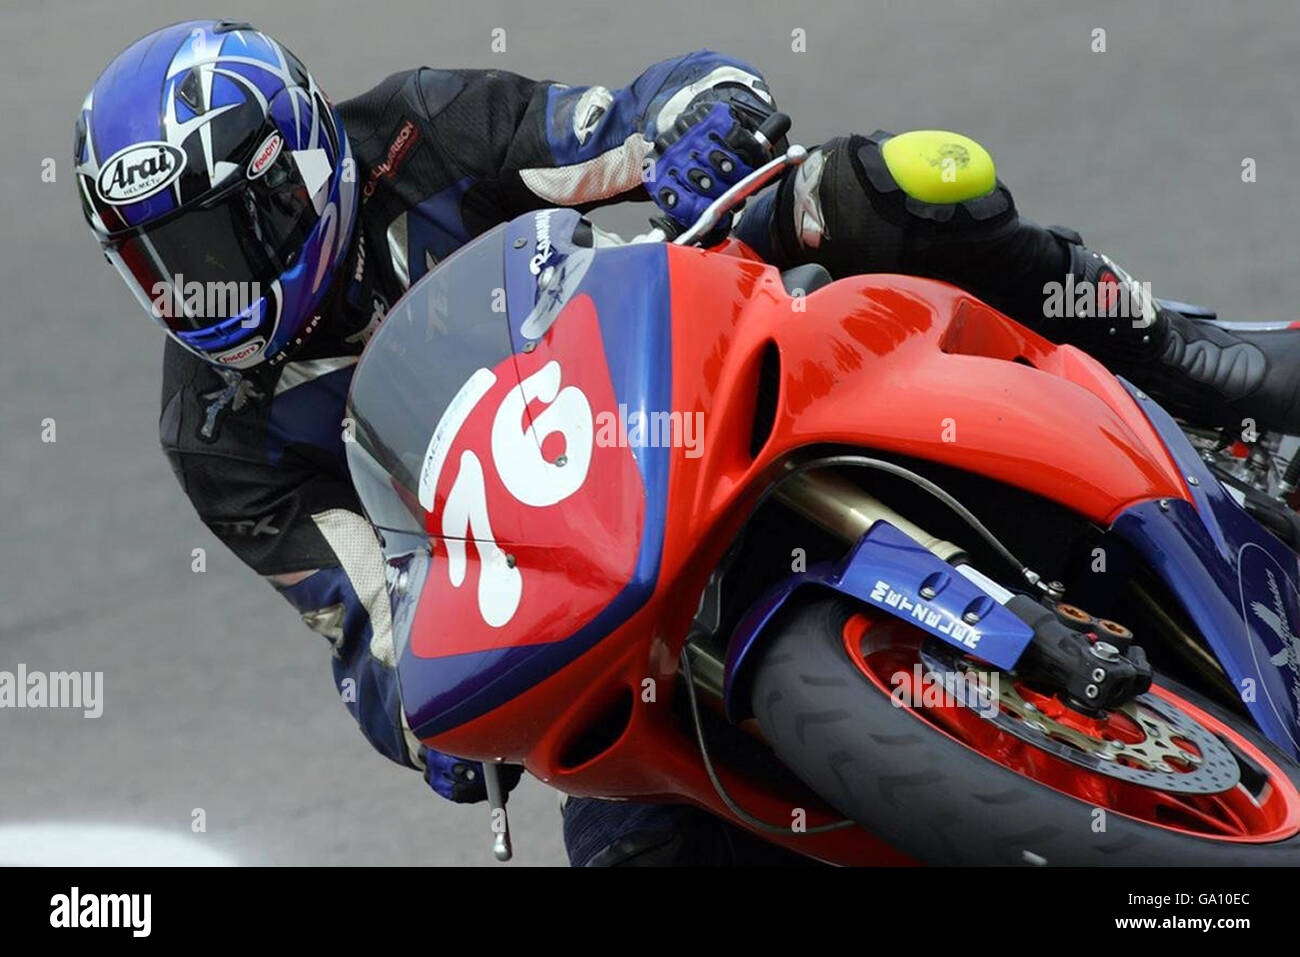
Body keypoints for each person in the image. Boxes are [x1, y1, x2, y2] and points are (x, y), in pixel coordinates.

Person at [75, 19, 1300, 866]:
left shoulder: (426, 131)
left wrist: (699, 115)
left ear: (297, 169)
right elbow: (361, 620)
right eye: (158, 262)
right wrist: (422, 720)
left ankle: (1177, 355)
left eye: (222, 237)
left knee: (895, 182)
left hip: (698, 356)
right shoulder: (218, 433)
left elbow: (616, 119)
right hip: (589, 585)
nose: (200, 287)